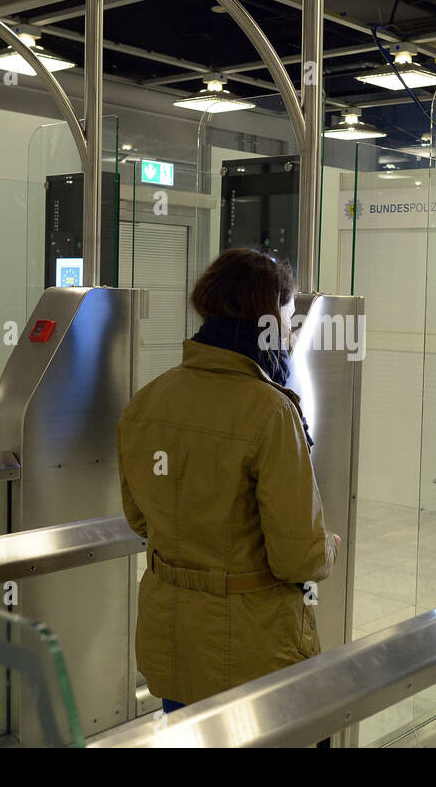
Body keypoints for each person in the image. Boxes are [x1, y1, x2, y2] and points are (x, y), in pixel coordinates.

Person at [116, 247, 341, 723]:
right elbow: (296, 555)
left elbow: (141, 519)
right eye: (288, 311)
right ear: (267, 316)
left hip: (171, 634)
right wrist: (328, 548)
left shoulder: (148, 400)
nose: (290, 324)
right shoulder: (272, 412)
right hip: (251, 645)